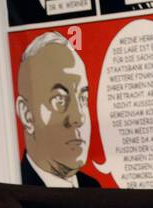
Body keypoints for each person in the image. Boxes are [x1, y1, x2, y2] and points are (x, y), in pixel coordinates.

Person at [15, 32, 100, 188]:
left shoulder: (93, 188)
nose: (78, 117)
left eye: (83, 98)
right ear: (27, 115)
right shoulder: (15, 191)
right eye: (59, 99)